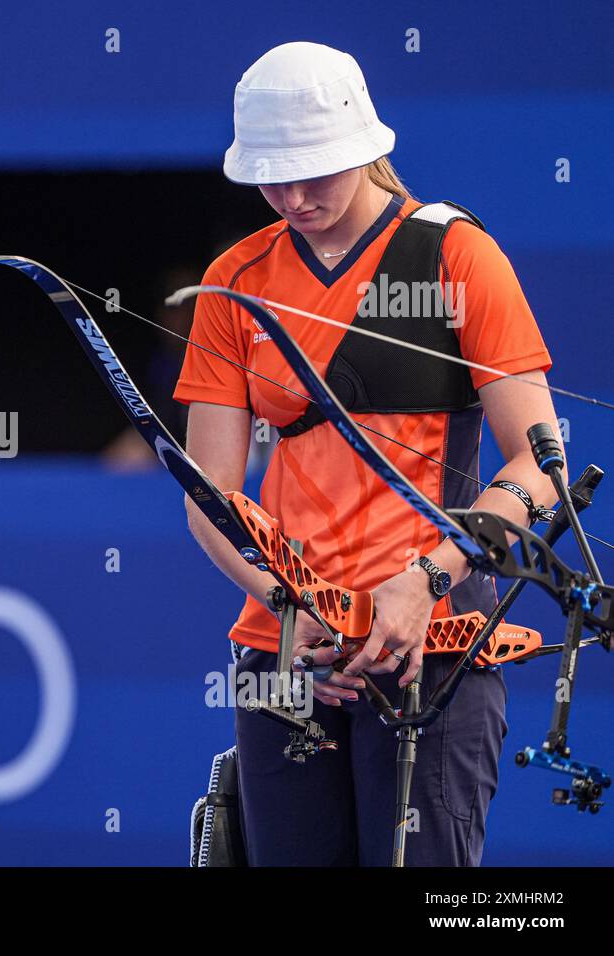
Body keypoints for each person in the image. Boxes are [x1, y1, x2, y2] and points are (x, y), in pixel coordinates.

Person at [174, 41, 561, 865]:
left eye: (315, 169)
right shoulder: (234, 280)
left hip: (434, 645)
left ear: (366, 146)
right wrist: (286, 607)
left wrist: (425, 581)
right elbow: (207, 494)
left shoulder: (456, 254)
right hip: (282, 656)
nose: (295, 195)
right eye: (273, 175)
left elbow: (540, 470)